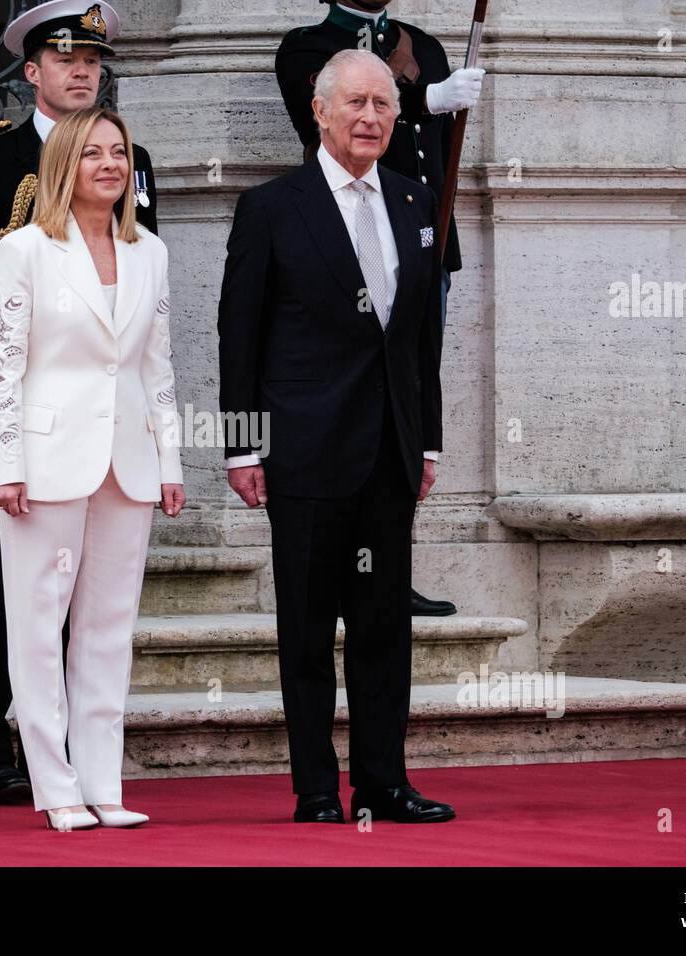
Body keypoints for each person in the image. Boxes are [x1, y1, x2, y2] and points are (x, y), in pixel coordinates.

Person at [0, 0, 160, 805]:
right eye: (64, 60)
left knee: (92, 599)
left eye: (91, 61)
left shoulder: (132, 163)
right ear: (31, 72)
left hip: (106, 421)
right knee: (9, 583)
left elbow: (140, 305)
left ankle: (66, 753)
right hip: (15, 400)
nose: (82, 71)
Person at [218, 49, 455, 824]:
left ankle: (385, 781)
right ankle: (316, 788)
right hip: (304, 455)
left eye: (384, 105)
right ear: (319, 112)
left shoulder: (419, 200)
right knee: (309, 628)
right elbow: (239, 338)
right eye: (354, 103)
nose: (370, 118)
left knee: (386, 627)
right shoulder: (272, 208)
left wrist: (427, 442)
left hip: (389, 450)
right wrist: (242, 447)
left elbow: (422, 338)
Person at [0, 107, 183, 831]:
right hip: (44, 462)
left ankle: (103, 781)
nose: (110, 164)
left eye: (119, 153)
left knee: (108, 626)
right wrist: (3, 464)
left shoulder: (149, 253)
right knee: (39, 626)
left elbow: (158, 364)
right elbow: (1, 368)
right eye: (93, 152)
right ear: (63, 164)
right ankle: (55, 785)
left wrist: (170, 457)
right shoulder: (26, 250)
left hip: (126, 461)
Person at [276, 0, 484, 617]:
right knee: (343, 402)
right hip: (343, 253)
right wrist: (423, 97)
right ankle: (336, 566)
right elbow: (321, 122)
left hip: (418, 247)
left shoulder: (423, 44)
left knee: (408, 398)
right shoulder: (307, 48)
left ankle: (388, 569)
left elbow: (436, 158)